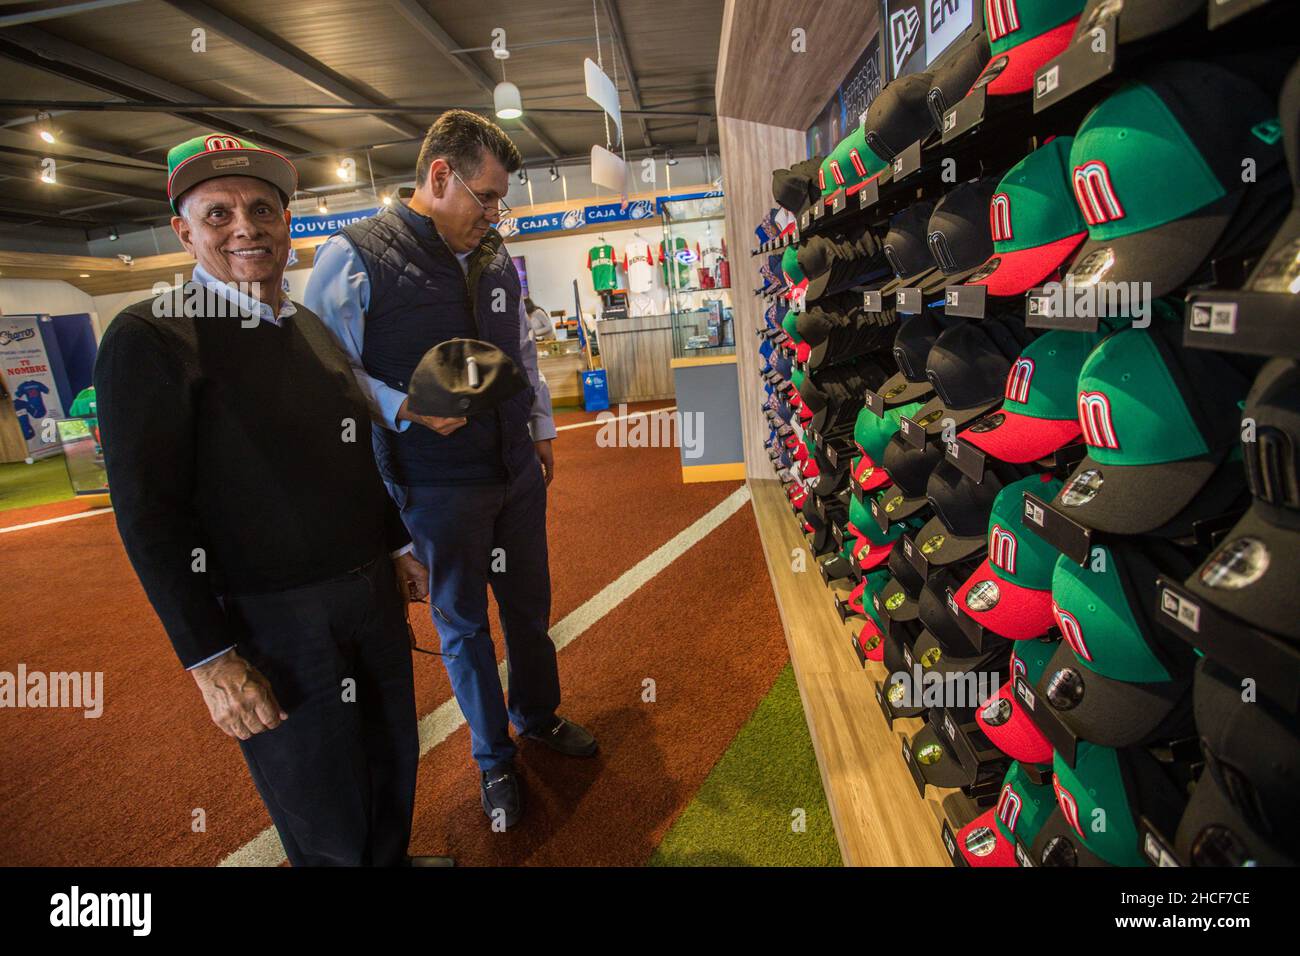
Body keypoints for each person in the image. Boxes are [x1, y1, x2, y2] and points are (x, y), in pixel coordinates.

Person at [94, 133, 445, 867]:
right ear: (184, 232)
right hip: (271, 620)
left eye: (261, 208)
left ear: (289, 223)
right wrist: (209, 658)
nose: (245, 226)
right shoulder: (152, 337)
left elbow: (349, 456)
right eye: (217, 214)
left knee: (391, 761)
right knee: (322, 801)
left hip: (366, 597)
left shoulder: (307, 327)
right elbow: (148, 513)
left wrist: (395, 548)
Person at [306, 110, 597, 832]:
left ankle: (537, 716)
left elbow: (520, 349)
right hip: (432, 486)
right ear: (439, 176)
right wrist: (403, 407)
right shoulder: (352, 257)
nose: (497, 212)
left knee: (530, 610)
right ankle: (494, 762)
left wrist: (542, 431)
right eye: (487, 195)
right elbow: (324, 372)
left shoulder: (495, 253)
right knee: (464, 629)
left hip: (514, 473)